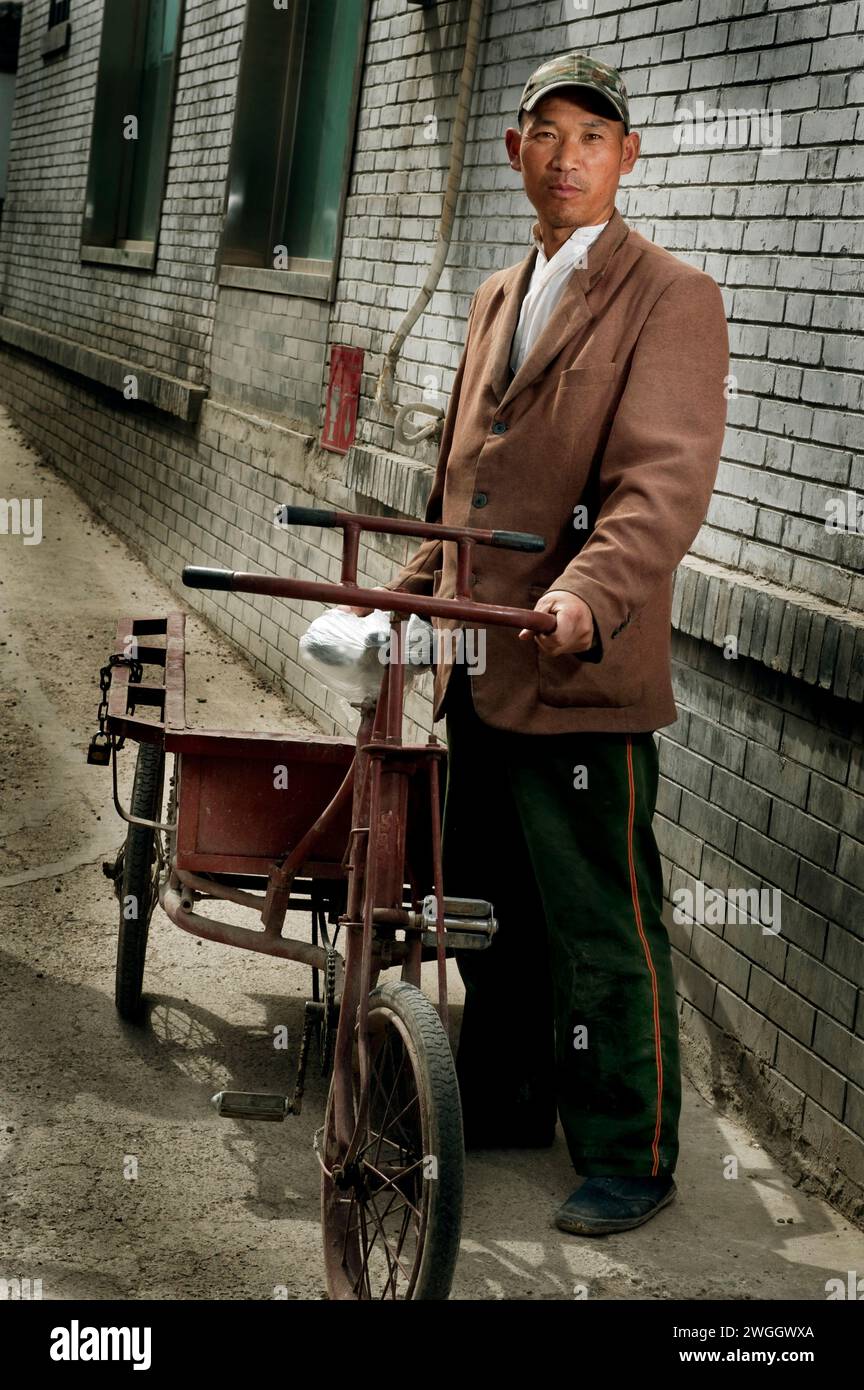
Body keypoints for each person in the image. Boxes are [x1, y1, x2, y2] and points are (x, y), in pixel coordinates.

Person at [344, 52, 729, 1236]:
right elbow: (461, 487)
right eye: (546, 134)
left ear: (628, 158)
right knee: (488, 909)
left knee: (599, 926)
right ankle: (505, 1097)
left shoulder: (672, 297)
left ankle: (630, 1149)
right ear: (518, 151)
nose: (567, 156)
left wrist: (587, 595)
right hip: (480, 665)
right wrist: (402, 603)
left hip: (577, 674)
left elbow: (659, 487)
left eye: (593, 137)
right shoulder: (497, 293)